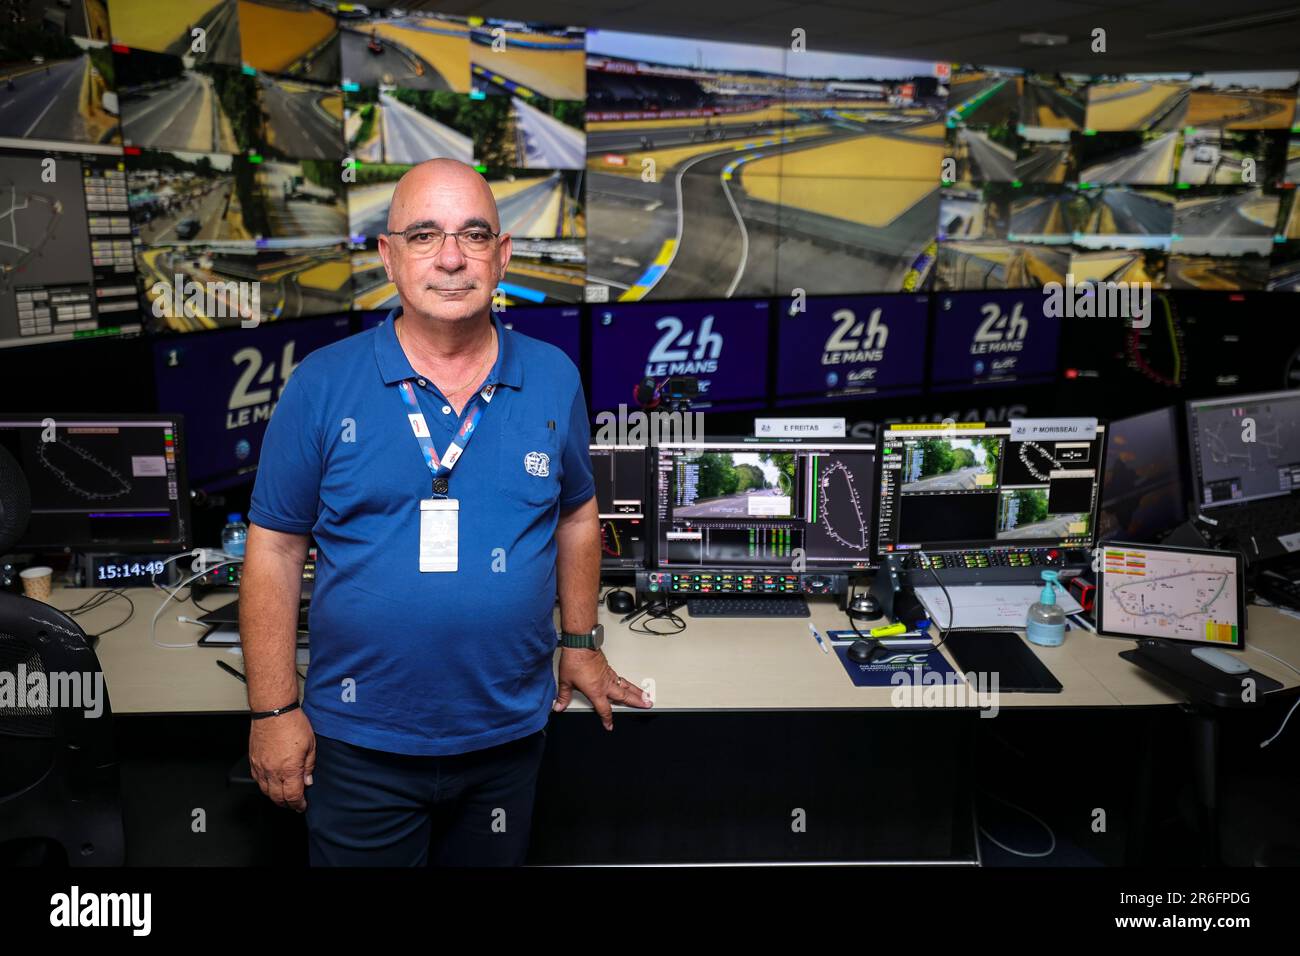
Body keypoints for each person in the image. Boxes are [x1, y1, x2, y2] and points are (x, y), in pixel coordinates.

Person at [240, 159, 651, 866]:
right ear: (389, 257)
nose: (453, 258)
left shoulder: (554, 375)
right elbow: (274, 549)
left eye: (474, 235)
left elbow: (577, 516)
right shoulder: (321, 385)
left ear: (503, 256)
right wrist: (273, 711)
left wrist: (580, 643)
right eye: (425, 235)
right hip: (359, 741)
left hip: (508, 740)